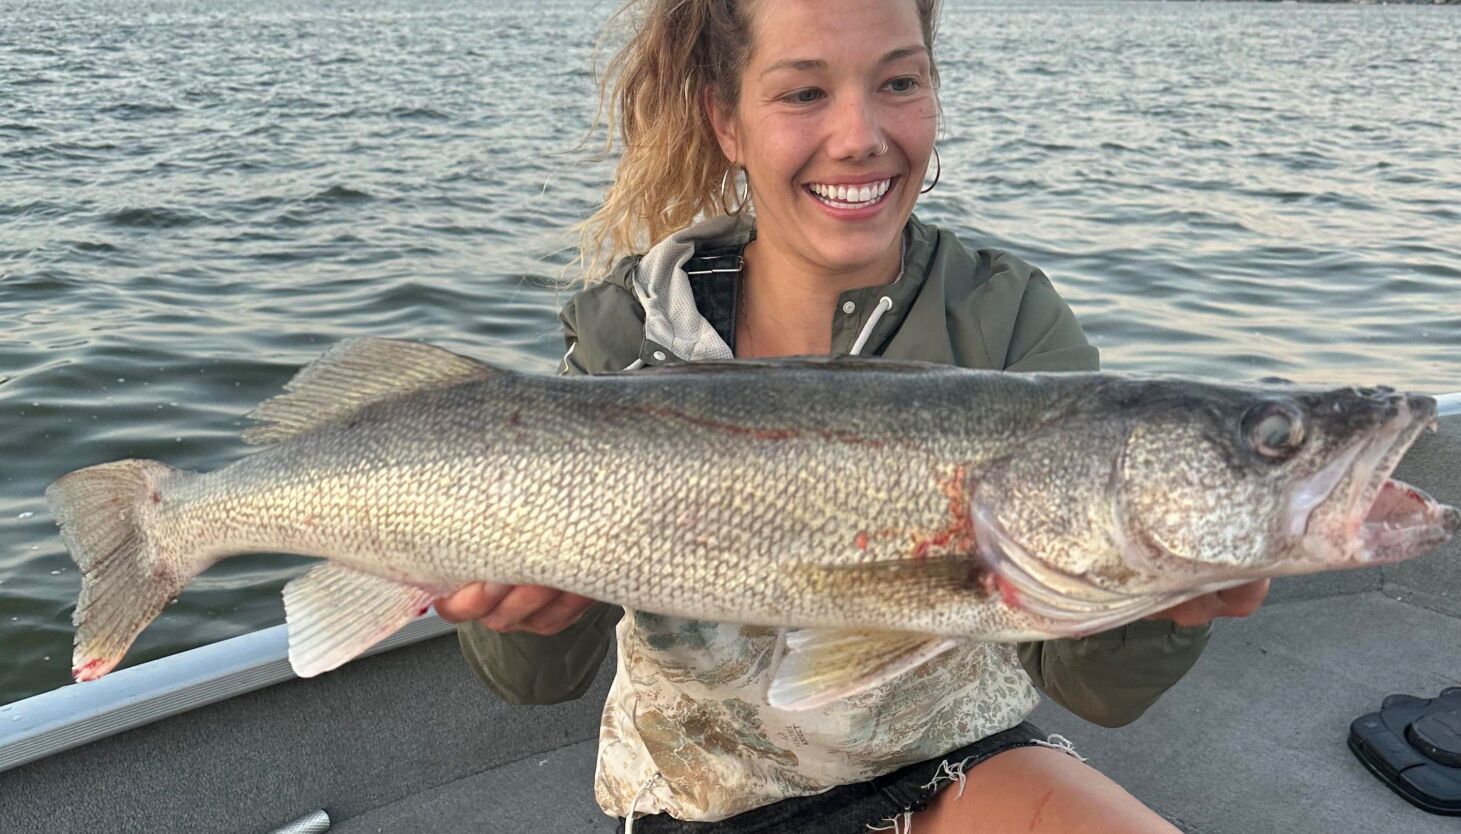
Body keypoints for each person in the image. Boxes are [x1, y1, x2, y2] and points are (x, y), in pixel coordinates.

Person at [436, 0, 1270, 830]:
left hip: (954, 759)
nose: (860, 134)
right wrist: (520, 613)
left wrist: (1157, 593)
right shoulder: (628, 330)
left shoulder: (1005, 314)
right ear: (726, 121)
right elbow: (533, 683)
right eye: (803, 93)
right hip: (696, 797)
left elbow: (1097, 688)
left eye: (898, 81)